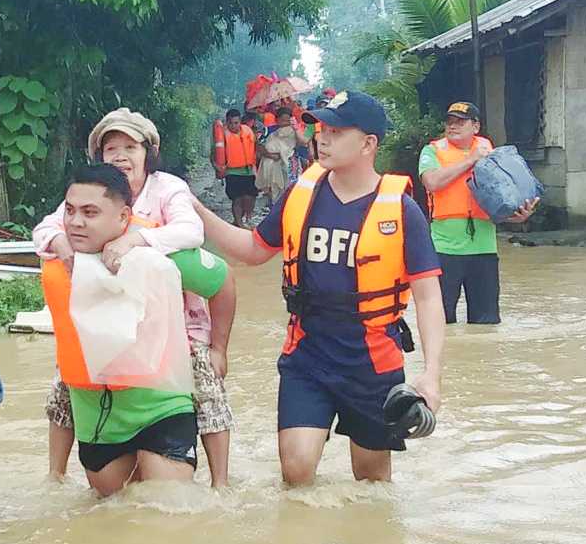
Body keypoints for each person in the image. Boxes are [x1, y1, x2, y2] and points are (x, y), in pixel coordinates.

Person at [190, 90, 447, 485]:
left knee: (371, 481)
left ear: (368, 143)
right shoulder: (302, 194)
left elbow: (428, 298)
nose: (321, 138)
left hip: (373, 365)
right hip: (306, 356)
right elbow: (254, 250)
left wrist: (431, 375)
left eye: (336, 130)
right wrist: (197, 210)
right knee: (296, 470)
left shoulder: (401, 210)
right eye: (321, 128)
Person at [33, 108, 237, 486]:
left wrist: (135, 239)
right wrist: (60, 243)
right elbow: (47, 226)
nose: (120, 155)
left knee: (206, 388)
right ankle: (55, 476)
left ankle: (220, 482)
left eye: (131, 146)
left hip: (177, 318)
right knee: (66, 378)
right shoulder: (90, 194)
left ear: (149, 152)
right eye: (111, 148)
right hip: (105, 322)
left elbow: (190, 231)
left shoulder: (166, 189)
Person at [418, 101, 539, 325]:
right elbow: (432, 182)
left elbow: (504, 200)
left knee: (487, 324)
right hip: (444, 249)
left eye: (460, 122)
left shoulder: (491, 154)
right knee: (441, 322)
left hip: (484, 249)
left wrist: (518, 215)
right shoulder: (433, 151)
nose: (453, 126)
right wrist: (470, 159)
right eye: (449, 122)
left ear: (475, 127)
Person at [214, 108, 258, 227]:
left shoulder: (248, 131)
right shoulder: (222, 134)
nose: (233, 126)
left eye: (236, 123)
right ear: (227, 122)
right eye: (231, 123)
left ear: (240, 122)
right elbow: (214, 154)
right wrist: (218, 169)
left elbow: (255, 148)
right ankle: (238, 222)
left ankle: (246, 217)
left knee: (250, 197)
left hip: (248, 170)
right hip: (231, 171)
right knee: (237, 198)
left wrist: (256, 168)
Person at [257, 105, 304, 205]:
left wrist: (296, 129)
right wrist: (270, 155)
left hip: (290, 164)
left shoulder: (295, 130)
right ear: (277, 120)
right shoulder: (268, 131)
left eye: (288, 120)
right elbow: (259, 145)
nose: (285, 123)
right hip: (272, 164)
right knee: (274, 191)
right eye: (283, 120)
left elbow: (301, 143)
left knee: (291, 189)